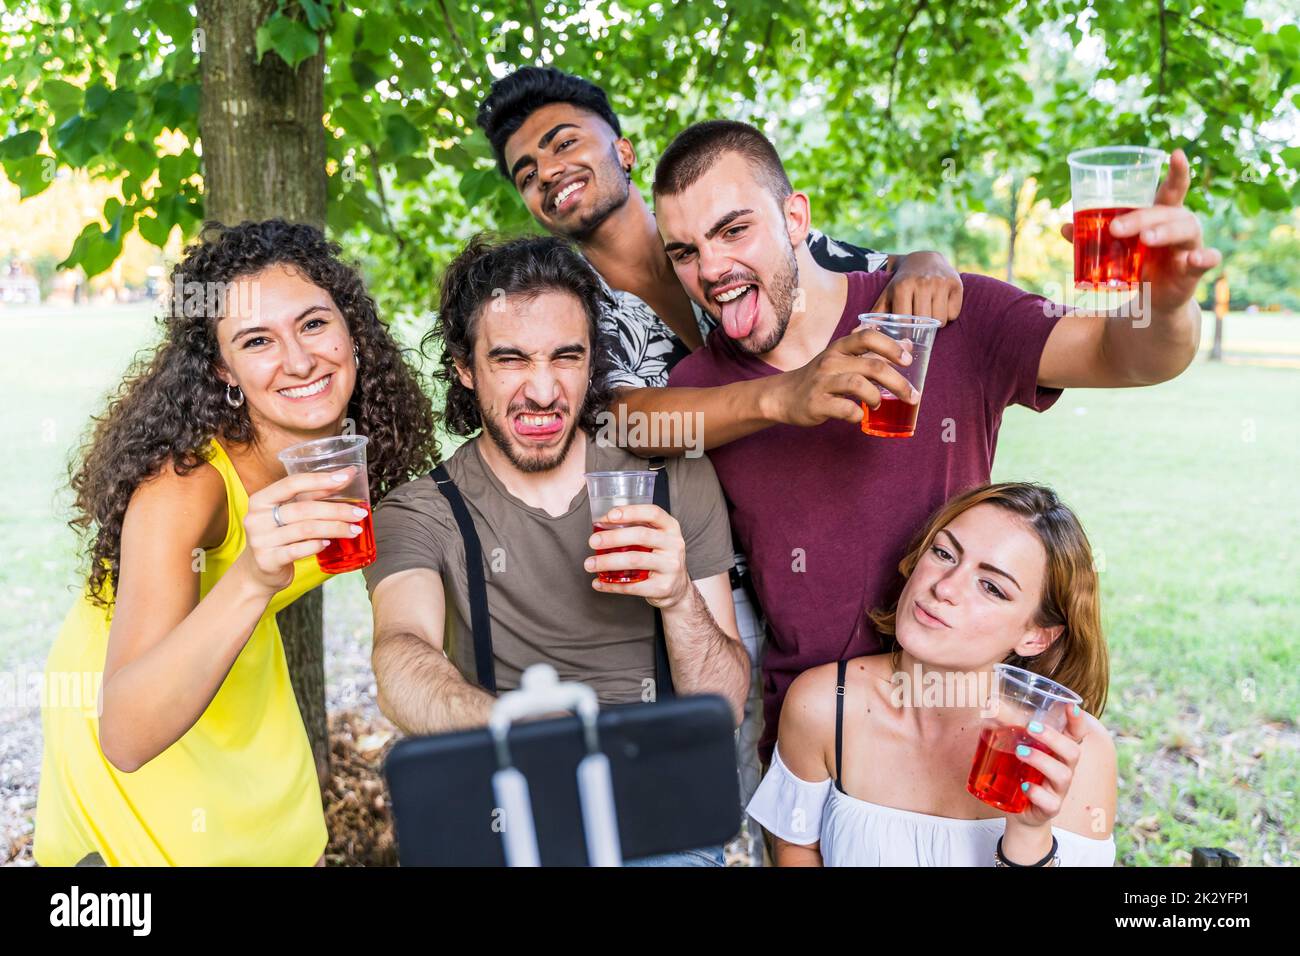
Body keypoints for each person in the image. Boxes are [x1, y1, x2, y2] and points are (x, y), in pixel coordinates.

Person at [652, 120, 1219, 766]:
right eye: (684, 252)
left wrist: (1167, 304)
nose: (712, 269)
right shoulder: (699, 391)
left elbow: (1130, 357)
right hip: (812, 749)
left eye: (734, 230)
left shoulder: (948, 313)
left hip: (960, 743)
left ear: (795, 216)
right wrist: (783, 397)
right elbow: (628, 422)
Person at [34, 220, 439, 866]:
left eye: (313, 324)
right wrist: (254, 574)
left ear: (352, 330)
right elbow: (128, 733)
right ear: (225, 368)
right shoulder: (186, 486)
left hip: (239, 684)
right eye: (258, 341)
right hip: (136, 701)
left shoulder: (362, 450)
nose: (300, 360)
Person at [362, 234, 748, 866]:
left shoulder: (674, 477)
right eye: (511, 360)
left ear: (591, 359)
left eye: (565, 357)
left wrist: (678, 598)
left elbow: (724, 704)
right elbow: (400, 658)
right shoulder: (421, 511)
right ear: (464, 367)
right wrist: (518, 732)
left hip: (656, 818)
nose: (542, 392)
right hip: (509, 809)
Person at [747, 482, 1117, 866]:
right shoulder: (825, 705)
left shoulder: (1069, 753)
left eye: (991, 587)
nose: (944, 587)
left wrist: (1028, 835)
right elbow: (798, 847)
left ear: (1036, 636)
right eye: (943, 553)